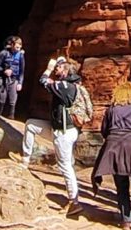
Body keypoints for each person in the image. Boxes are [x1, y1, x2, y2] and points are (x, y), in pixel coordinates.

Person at [92, 83, 131, 230]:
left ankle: (126, 220)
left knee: (121, 184)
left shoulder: (112, 109)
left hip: (115, 147)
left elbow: (104, 131)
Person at [35, 57, 90, 215]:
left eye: (58, 68)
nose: (56, 69)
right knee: (31, 125)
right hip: (69, 130)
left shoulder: (63, 86)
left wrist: (48, 68)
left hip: (64, 131)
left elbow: (42, 81)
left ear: (65, 71)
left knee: (65, 167)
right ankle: (24, 162)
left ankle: (74, 202)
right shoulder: (74, 84)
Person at [0, 36, 25, 119]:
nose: (18, 49)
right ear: (12, 45)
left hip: (14, 79)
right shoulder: (4, 53)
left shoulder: (21, 56)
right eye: (16, 47)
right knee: (1, 98)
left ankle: (11, 116)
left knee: (13, 99)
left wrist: (20, 83)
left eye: (20, 47)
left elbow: (22, 71)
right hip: (4, 79)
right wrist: (4, 70)